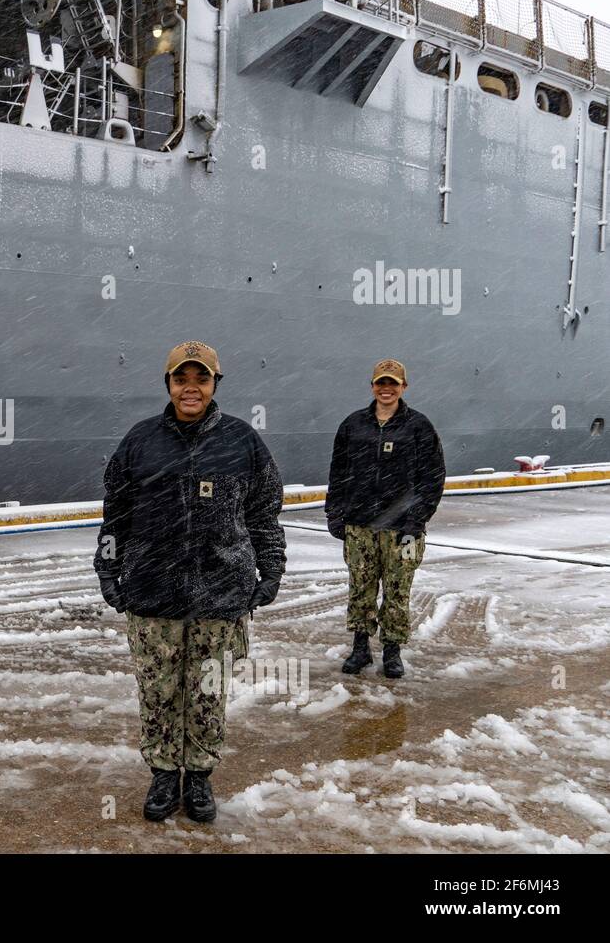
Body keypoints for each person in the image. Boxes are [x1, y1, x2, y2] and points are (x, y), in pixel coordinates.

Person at [95, 341, 285, 823]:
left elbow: (263, 513)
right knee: (157, 692)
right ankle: (163, 774)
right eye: (182, 379)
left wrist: (271, 568)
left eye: (201, 378)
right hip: (152, 592)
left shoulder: (242, 441)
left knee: (207, 693)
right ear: (169, 385)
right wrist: (109, 571)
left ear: (215, 384)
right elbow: (115, 516)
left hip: (220, 595)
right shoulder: (140, 441)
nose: (191, 388)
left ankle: (199, 777)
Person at [326, 359, 445, 679]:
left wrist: (417, 520)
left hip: (403, 529)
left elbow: (433, 478)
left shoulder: (419, 427)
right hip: (360, 524)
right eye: (381, 382)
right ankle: (361, 648)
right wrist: (335, 513)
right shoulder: (353, 425)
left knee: (397, 590)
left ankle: (392, 650)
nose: (386, 388)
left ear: (404, 387)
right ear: (372, 386)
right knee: (360, 588)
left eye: (393, 383)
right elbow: (338, 472)